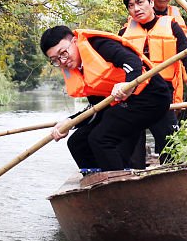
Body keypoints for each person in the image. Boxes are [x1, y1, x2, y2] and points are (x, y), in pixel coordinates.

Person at [40, 25, 173, 172]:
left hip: (152, 97)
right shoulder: (82, 70)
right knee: (77, 142)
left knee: (100, 138)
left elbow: (132, 61)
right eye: (56, 60)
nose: (63, 61)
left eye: (63, 53)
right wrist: (70, 122)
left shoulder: (99, 45)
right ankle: (96, 180)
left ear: (75, 41)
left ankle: (118, 182)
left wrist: (128, 84)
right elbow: (97, 108)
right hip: (124, 105)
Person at [118, 0, 187, 163]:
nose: (136, 9)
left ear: (151, 3)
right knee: (131, 151)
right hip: (134, 96)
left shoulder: (172, 26)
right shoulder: (123, 33)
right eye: (131, 5)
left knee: (171, 148)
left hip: (161, 94)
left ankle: (171, 174)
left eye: (140, 3)